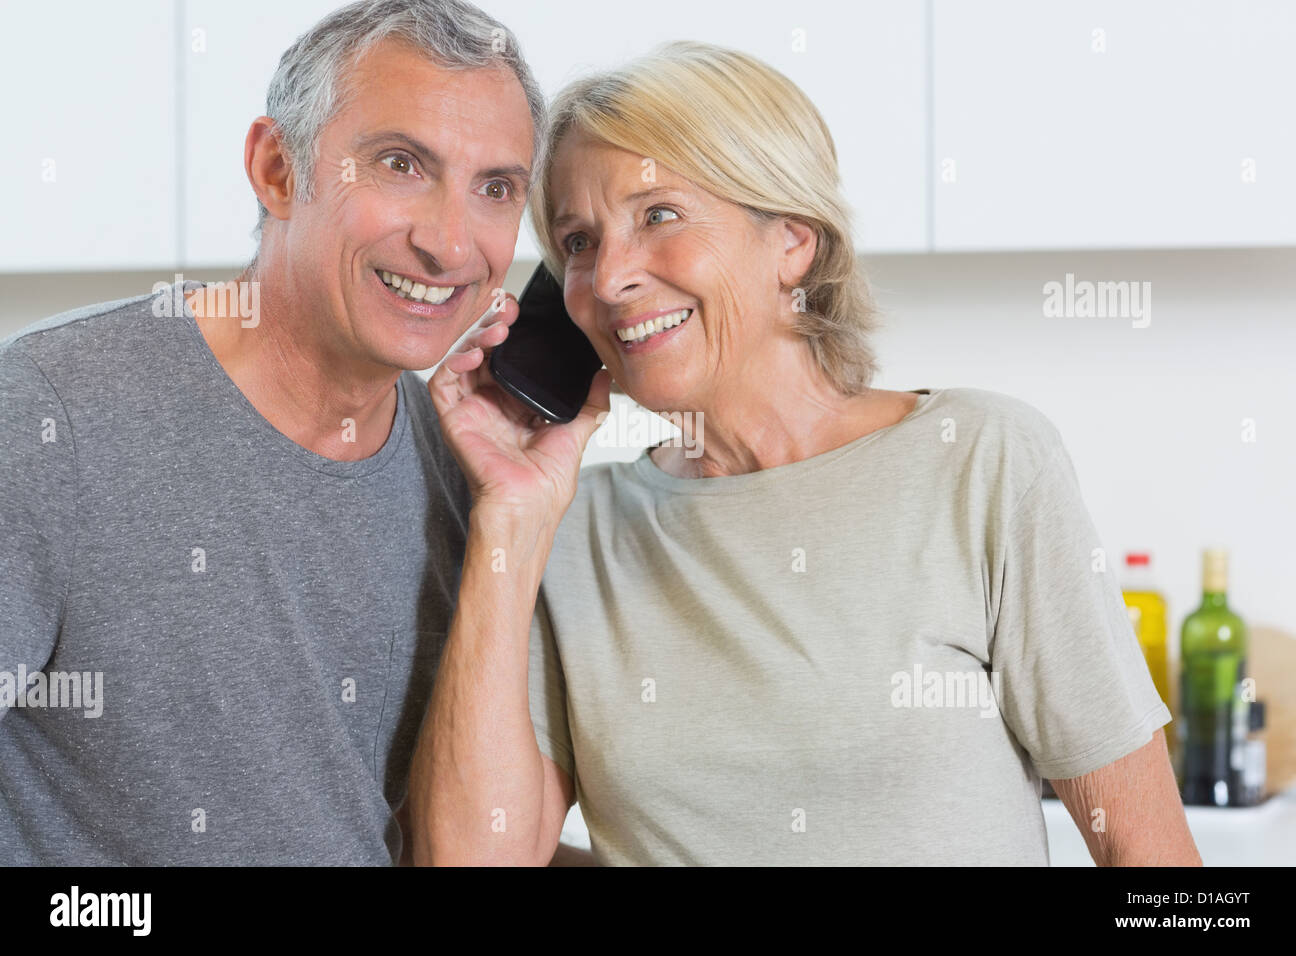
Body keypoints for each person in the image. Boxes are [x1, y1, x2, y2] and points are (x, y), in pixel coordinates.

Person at [411, 41, 1202, 865]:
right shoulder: (570, 527)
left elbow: (1152, 859)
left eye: (659, 215)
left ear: (792, 242)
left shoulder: (981, 464)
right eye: (577, 241)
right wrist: (507, 521)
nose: (608, 280)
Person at [0, 0, 542, 865]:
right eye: (402, 164)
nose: (449, 244)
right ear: (277, 169)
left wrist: (514, 520)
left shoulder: (466, 463)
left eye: (496, 188)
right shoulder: (52, 410)